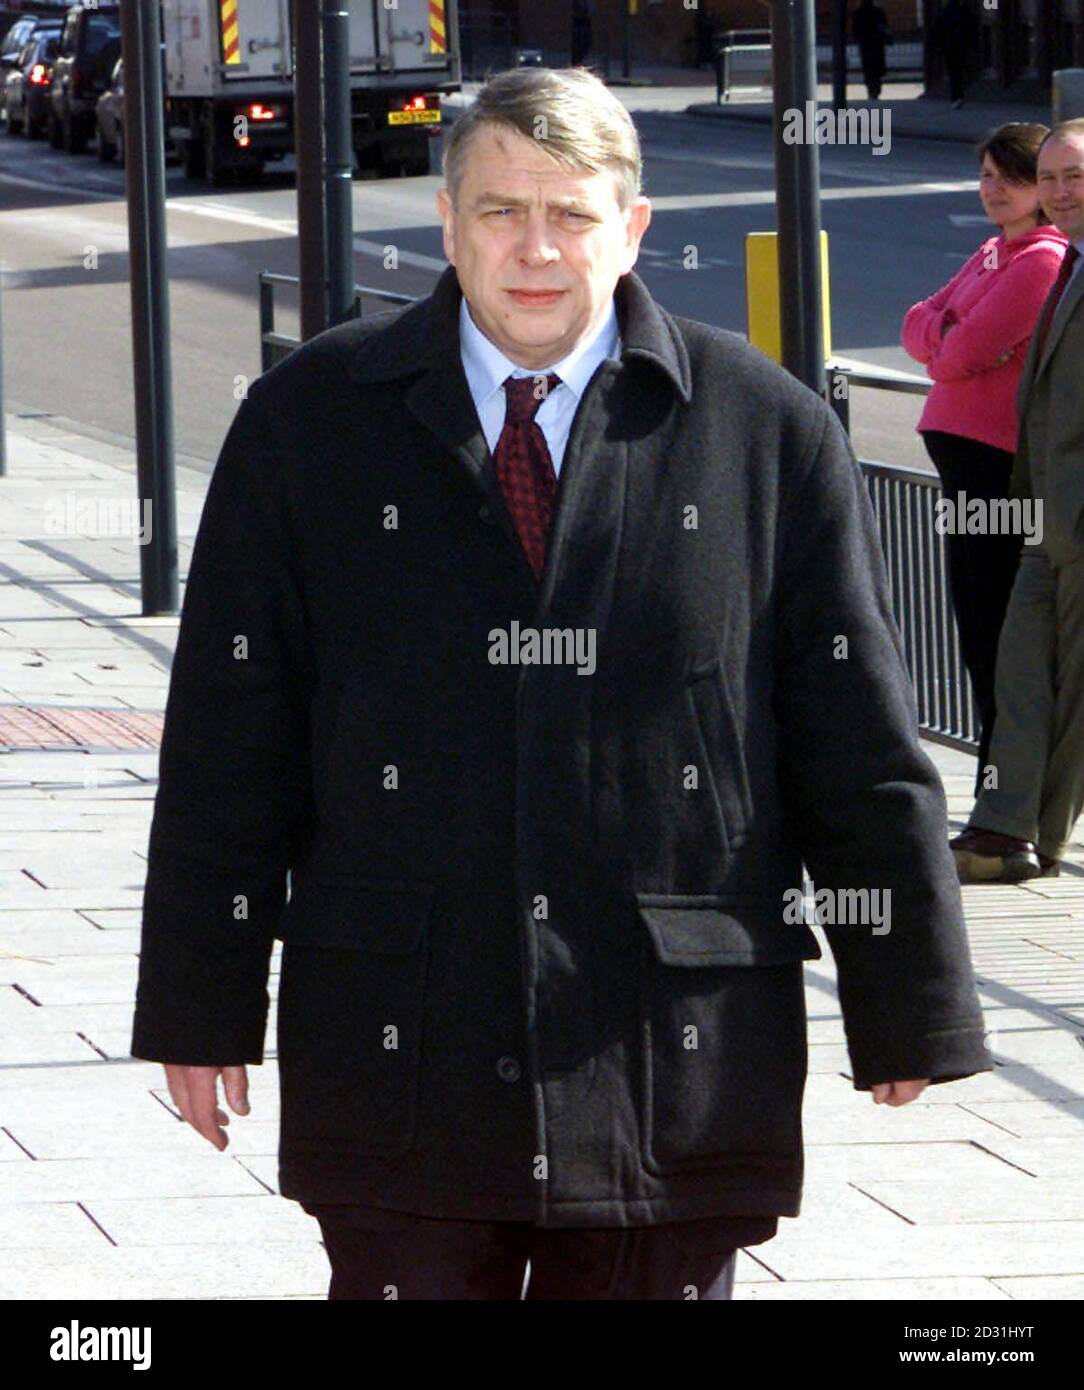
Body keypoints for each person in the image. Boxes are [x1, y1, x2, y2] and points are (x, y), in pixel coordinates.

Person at [130, 66, 991, 1301]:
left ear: (633, 227)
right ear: (443, 220)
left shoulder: (764, 429)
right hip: (402, 1051)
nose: (535, 248)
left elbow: (853, 735)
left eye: (572, 214)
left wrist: (909, 999)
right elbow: (229, 735)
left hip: (666, 1060)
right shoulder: (307, 419)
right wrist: (200, 1003)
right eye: (498, 210)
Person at [902, 124, 1067, 794]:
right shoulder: (994, 253)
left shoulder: (1039, 261)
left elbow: (961, 352)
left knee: (1000, 634)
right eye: (986, 176)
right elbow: (917, 321)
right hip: (964, 473)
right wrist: (947, 336)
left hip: (996, 473)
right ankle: (994, 787)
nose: (993, 189)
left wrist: (948, 338)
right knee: (975, 628)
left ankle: (1007, 794)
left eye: (1010, 177)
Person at [951, 119, 1084, 884]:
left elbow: (962, 349)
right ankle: (1002, 829)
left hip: (1073, 517)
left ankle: (1043, 838)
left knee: (1069, 688)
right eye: (1056, 178)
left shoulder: (1054, 262)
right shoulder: (1068, 262)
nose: (1063, 194)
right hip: (1042, 511)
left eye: (1075, 177)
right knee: (1022, 673)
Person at [932, 0, 976, 109]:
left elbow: (936, 30)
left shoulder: (943, 11)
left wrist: (938, 46)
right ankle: (960, 93)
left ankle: (956, 97)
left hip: (949, 47)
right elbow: (971, 28)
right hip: (962, 45)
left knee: (953, 72)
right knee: (961, 70)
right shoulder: (964, 11)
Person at [853, 0, 890, 102]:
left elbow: (855, 30)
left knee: (868, 70)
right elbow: (885, 27)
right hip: (876, 44)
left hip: (866, 45)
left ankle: (872, 90)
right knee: (876, 70)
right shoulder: (878, 12)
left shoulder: (859, 13)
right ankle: (875, 89)